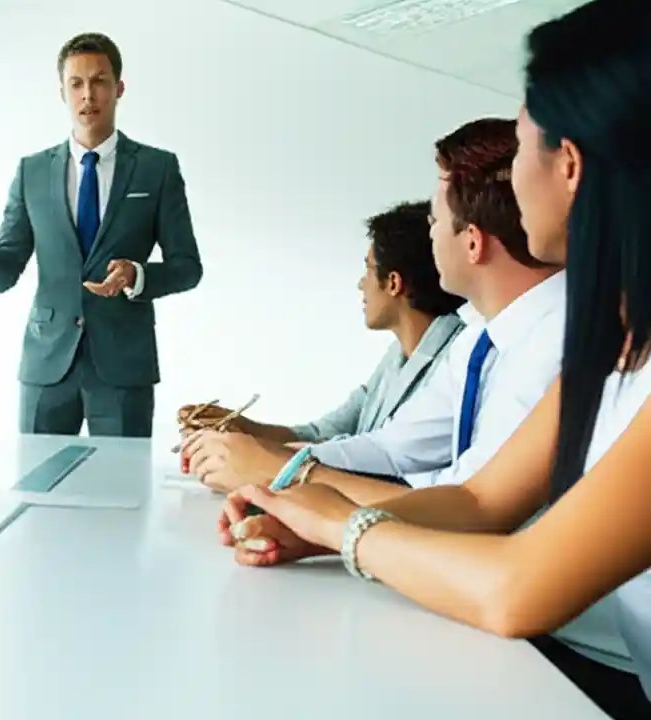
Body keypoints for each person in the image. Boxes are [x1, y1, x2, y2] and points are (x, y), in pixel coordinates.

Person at [222, 1, 651, 715]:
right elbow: (480, 501)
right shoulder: (609, 343)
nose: (510, 181)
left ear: (570, 166)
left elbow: (517, 587)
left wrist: (340, 527)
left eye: (522, 147)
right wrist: (313, 523)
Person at [186, 118, 563, 506]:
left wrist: (286, 473)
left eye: (435, 221)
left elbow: (472, 504)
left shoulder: (553, 346)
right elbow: (391, 449)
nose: (430, 234)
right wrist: (269, 459)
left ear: (472, 243)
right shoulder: (478, 339)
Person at [0, 32, 202, 438]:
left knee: (121, 477)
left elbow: (187, 267)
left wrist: (137, 275)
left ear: (119, 88)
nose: (88, 95)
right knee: (37, 477)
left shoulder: (157, 169)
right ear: (62, 92)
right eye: (76, 83)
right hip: (46, 364)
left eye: (99, 81)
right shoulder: (32, 172)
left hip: (124, 365)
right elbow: (4, 272)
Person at [179, 201, 465, 445]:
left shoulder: (456, 361)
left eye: (368, 269)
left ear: (393, 282)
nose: (361, 284)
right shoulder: (397, 357)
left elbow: (375, 456)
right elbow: (321, 434)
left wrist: (252, 455)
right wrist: (241, 428)